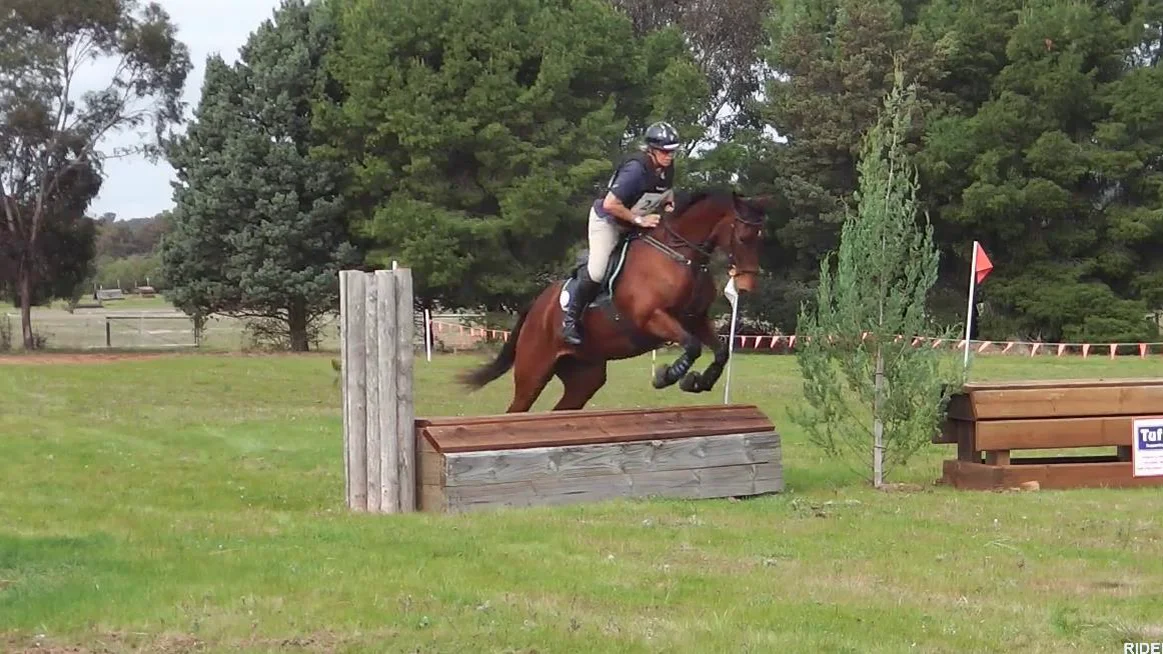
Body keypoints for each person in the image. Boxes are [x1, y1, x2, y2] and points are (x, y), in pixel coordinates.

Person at [561, 121, 682, 346]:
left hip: (634, 224)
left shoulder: (666, 168)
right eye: (665, 151)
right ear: (652, 150)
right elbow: (610, 204)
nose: (670, 156)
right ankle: (570, 320)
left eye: (673, 151)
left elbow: (667, 194)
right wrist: (640, 219)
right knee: (597, 272)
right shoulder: (635, 169)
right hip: (608, 222)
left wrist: (668, 207)